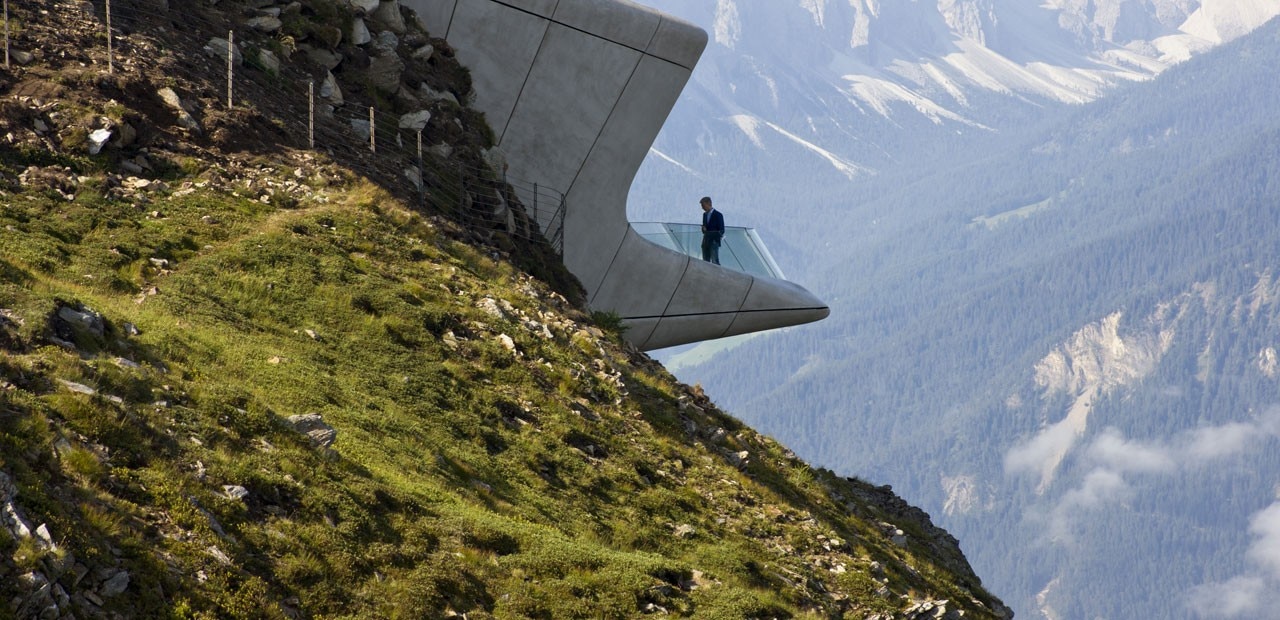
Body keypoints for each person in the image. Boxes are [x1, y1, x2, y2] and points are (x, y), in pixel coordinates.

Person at [699, 196, 724, 264]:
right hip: (705, 241)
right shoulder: (704, 215)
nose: (702, 208)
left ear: (708, 204)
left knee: (715, 261)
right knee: (705, 261)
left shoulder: (718, 215)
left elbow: (721, 230)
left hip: (714, 242)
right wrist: (703, 229)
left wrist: (713, 235)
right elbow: (704, 231)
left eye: (703, 205)